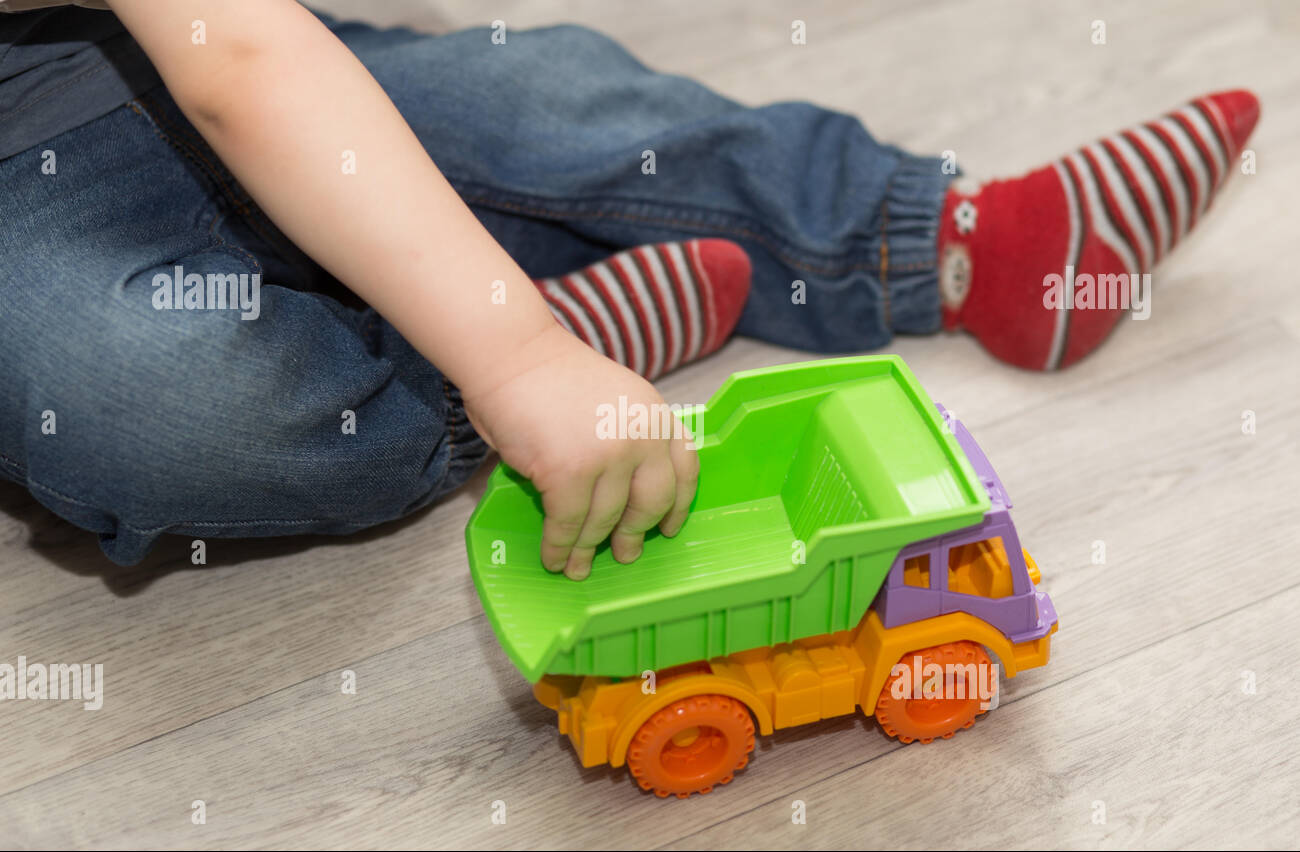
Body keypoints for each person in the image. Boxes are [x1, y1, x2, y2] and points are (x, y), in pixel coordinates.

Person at [0, 1, 1259, 578]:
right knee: (174, 407)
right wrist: (517, 360)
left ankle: (947, 243)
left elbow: (242, 54)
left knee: (534, 102)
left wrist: (520, 352)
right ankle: (529, 356)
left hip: (146, 45)